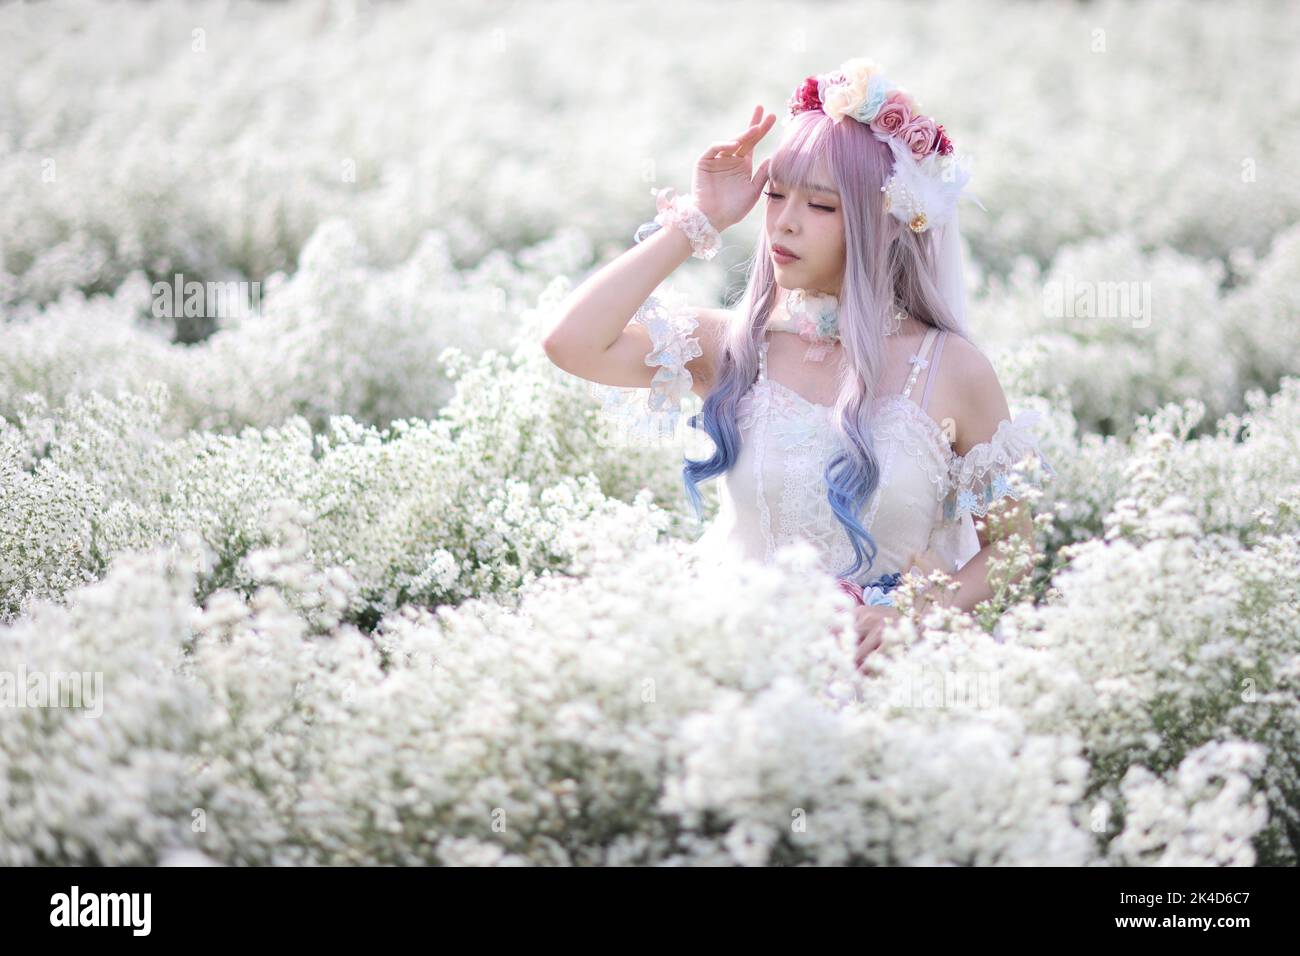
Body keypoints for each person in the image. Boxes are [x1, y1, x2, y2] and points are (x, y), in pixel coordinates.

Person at [543, 57, 1056, 670]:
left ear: (888, 224)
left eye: (821, 206)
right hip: (727, 661)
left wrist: (917, 614)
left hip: (875, 675)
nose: (784, 221)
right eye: (777, 196)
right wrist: (698, 222)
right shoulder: (734, 346)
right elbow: (570, 343)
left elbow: (1013, 545)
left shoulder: (952, 370)